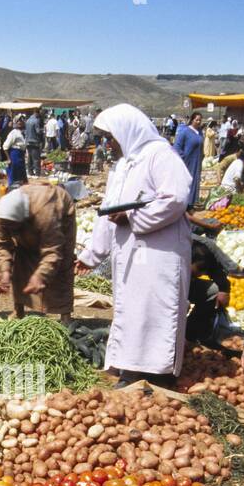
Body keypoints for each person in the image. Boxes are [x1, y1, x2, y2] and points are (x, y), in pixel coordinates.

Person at [74, 103, 192, 387]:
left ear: (127, 131)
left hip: (158, 254)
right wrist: (91, 255)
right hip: (131, 256)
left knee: (155, 311)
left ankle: (158, 374)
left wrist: (132, 216)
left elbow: (176, 198)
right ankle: (130, 369)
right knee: (132, 311)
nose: (108, 143)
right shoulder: (124, 165)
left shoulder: (160, 156)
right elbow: (107, 212)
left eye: (110, 137)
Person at [0, 183, 76, 323]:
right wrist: (5, 269)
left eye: (14, 226)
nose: (11, 229)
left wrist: (40, 276)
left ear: (23, 219)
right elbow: (0, 243)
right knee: (20, 261)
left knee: (63, 264)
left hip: (60, 216)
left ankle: (65, 315)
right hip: (29, 219)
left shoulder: (44, 212)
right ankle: (18, 310)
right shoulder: (3, 215)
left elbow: (52, 250)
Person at [173, 112, 205, 209]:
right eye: (196, 120)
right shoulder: (185, 131)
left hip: (197, 160)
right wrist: (183, 157)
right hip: (188, 161)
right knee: (187, 181)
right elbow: (177, 146)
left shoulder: (199, 132)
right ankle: (184, 204)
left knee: (195, 180)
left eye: (200, 120)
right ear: (192, 120)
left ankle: (191, 203)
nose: (198, 122)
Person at [2, 118, 28, 188]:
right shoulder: (13, 133)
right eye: (18, 121)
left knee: (21, 175)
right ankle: (12, 190)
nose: (20, 122)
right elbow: (5, 146)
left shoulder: (22, 132)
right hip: (14, 155)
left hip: (21, 155)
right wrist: (8, 159)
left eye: (21, 121)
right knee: (14, 174)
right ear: (15, 123)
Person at [24, 110, 43, 177]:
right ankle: (37, 173)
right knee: (36, 158)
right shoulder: (36, 120)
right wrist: (42, 130)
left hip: (28, 141)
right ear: (37, 113)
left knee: (30, 158)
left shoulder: (28, 120)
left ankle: (30, 172)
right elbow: (37, 131)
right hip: (34, 142)